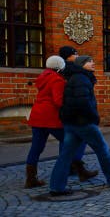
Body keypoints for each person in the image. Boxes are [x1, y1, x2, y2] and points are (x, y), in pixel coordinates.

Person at [49, 56, 110, 196]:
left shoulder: (74, 77)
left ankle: (56, 187)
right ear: (82, 65)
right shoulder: (81, 78)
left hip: (71, 123)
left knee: (66, 155)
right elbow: (83, 103)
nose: (93, 63)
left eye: (93, 60)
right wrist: (94, 117)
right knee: (102, 149)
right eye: (89, 61)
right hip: (83, 123)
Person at [24, 56, 66, 188]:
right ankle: (73, 168)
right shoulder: (57, 79)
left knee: (36, 147)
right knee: (69, 141)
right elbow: (58, 100)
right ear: (60, 67)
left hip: (37, 115)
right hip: (51, 117)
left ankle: (31, 178)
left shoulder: (43, 77)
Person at [58, 45, 98, 182]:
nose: (77, 55)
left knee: (67, 145)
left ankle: (64, 177)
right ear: (69, 56)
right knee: (99, 148)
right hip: (78, 117)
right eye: (75, 53)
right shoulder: (76, 73)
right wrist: (93, 116)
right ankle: (77, 167)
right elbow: (82, 100)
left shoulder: (66, 71)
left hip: (69, 114)